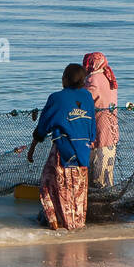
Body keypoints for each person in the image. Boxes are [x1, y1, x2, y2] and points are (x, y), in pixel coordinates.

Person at [27, 63, 96, 230]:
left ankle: (55, 222)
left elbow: (43, 125)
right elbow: (92, 128)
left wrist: (33, 147)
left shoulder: (56, 98)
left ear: (65, 78)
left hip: (63, 153)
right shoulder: (87, 97)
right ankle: (76, 225)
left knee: (47, 184)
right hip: (83, 152)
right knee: (77, 191)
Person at [82, 52, 119, 188]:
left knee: (97, 173)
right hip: (111, 129)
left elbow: (82, 101)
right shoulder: (108, 76)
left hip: (99, 130)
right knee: (107, 172)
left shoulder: (92, 79)